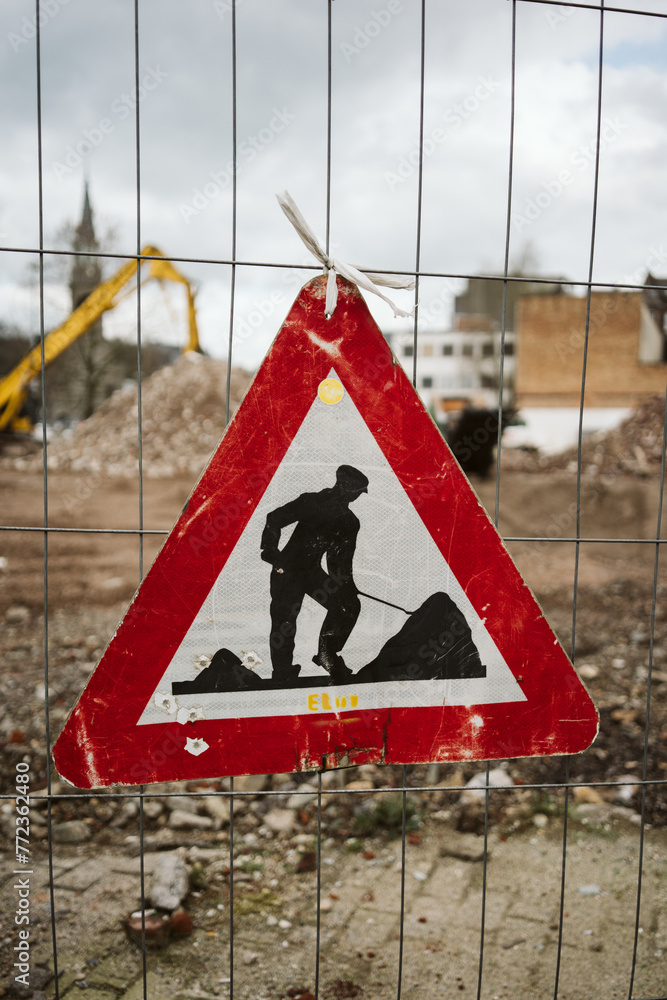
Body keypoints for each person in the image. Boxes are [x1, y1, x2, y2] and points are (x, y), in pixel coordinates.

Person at [260, 465, 368, 684]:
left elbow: (339, 562)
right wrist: (270, 552)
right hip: (287, 571)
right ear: (347, 489)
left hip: (310, 574)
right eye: (357, 492)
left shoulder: (349, 521)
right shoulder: (312, 502)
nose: (357, 496)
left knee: (348, 605)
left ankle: (326, 654)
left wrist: (348, 587)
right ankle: (282, 673)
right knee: (285, 622)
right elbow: (275, 518)